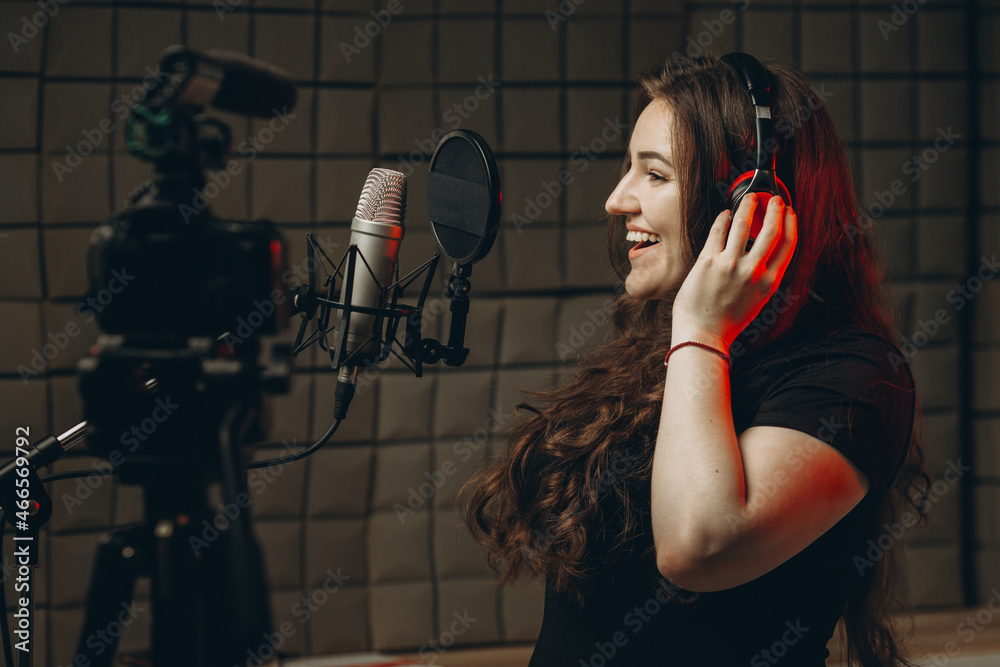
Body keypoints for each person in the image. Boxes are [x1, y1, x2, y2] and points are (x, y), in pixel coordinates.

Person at [455, 52, 934, 666]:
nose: (617, 200)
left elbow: (698, 547)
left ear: (753, 200)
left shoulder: (854, 378)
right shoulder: (661, 356)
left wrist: (702, 329)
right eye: (628, 168)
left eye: (655, 175)